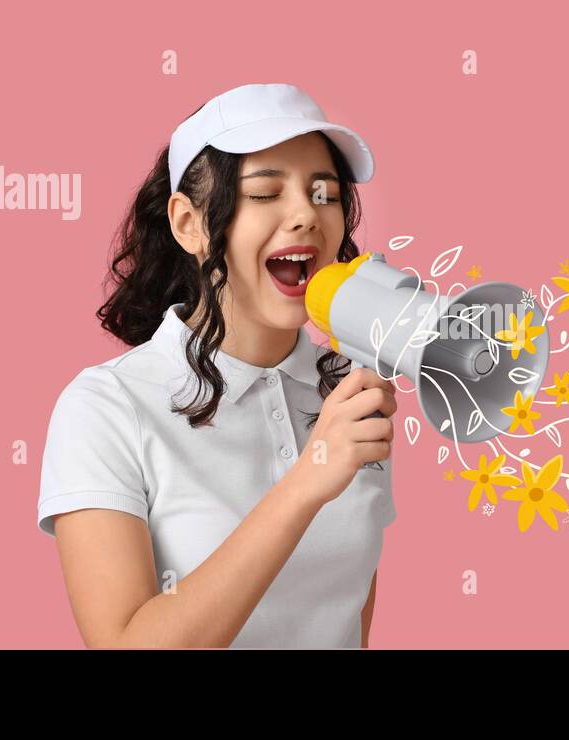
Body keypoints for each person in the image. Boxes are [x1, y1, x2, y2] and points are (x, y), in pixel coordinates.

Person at [35, 83, 397, 648]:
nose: (306, 213)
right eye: (265, 193)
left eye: (323, 193)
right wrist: (305, 485)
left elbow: (348, 620)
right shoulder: (106, 409)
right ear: (189, 224)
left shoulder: (344, 395)